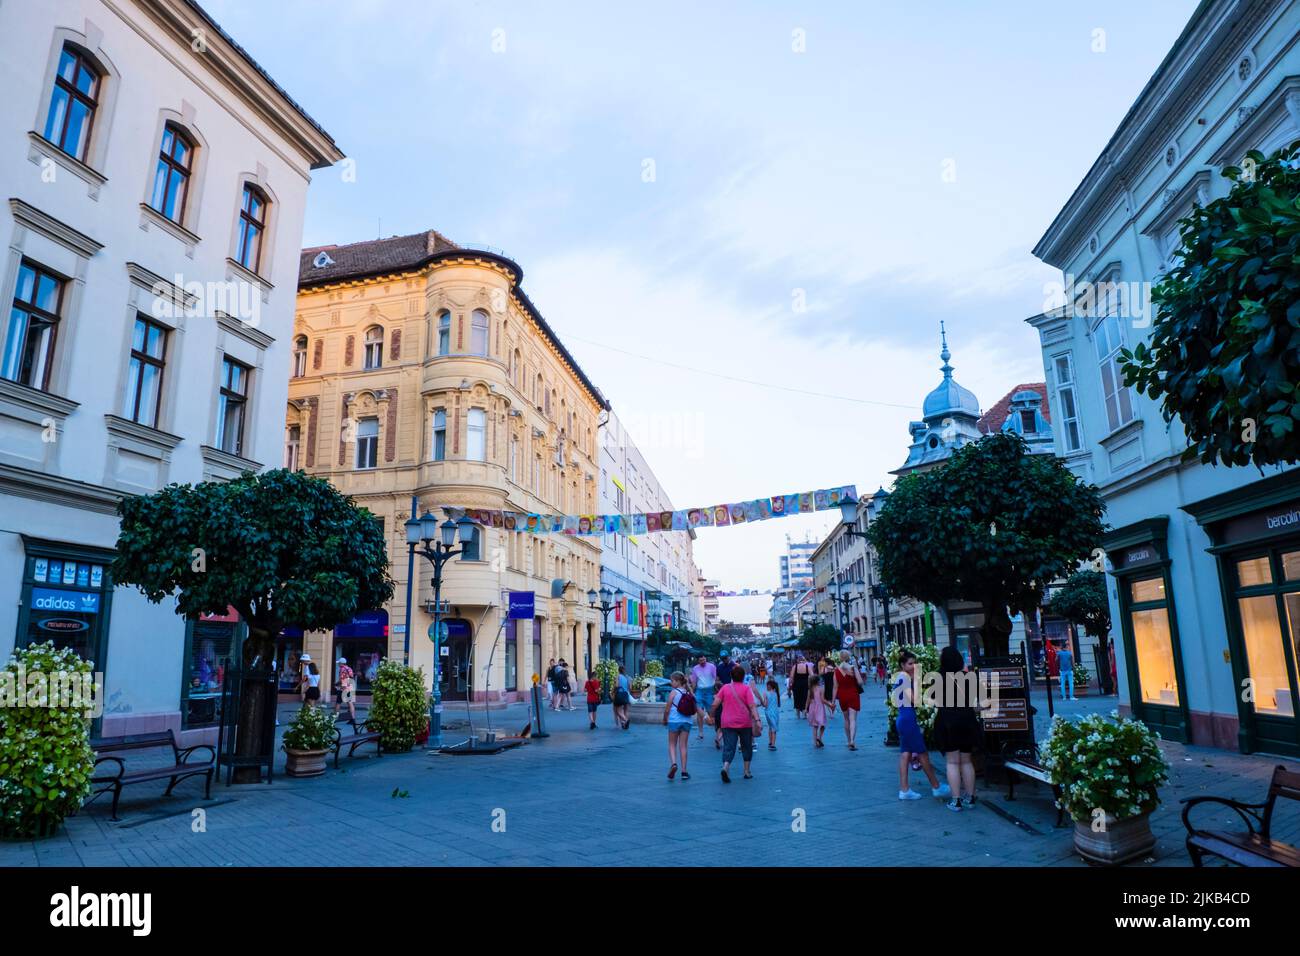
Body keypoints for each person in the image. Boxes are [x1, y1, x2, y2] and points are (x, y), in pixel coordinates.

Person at [894, 651, 950, 801]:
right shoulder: (904, 678)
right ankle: (936, 786)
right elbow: (915, 699)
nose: (913, 666)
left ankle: (905, 789)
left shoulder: (902, 677)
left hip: (904, 718)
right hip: (908, 719)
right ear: (902, 665)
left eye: (914, 663)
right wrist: (917, 678)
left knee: (906, 754)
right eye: (910, 664)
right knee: (922, 753)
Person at [934, 646, 980, 811]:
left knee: (952, 762)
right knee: (967, 761)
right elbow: (977, 703)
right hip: (967, 722)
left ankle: (956, 800)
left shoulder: (938, 678)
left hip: (948, 723)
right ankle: (970, 797)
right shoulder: (969, 677)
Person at [710, 664, 761, 782]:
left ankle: (725, 767)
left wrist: (711, 716)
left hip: (727, 722)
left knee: (729, 747)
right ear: (743, 677)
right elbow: (752, 706)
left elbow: (714, 704)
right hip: (745, 722)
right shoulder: (746, 688)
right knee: (746, 747)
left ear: (731, 677)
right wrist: (757, 720)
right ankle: (747, 771)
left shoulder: (725, 688)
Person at [662, 671, 694, 780]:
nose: (671, 683)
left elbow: (667, 709)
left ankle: (674, 764)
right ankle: (684, 771)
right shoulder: (688, 692)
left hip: (674, 721)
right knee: (683, 746)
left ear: (677, 681)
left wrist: (664, 719)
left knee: (672, 744)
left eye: (672, 681)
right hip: (686, 722)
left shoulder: (673, 692)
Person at [833, 650, 864, 750]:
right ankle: (852, 741)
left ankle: (848, 740)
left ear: (840, 658)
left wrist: (833, 701)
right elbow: (860, 682)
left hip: (842, 696)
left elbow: (835, 687)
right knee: (853, 719)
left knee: (846, 719)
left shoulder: (836, 670)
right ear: (848, 657)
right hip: (853, 694)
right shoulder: (852, 668)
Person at [689, 655, 717, 741]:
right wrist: (692, 692)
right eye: (701, 660)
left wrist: (715, 692)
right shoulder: (695, 668)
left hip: (709, 690)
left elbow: (715, 678)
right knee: (699, 711)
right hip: (699, 691)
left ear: (706, 659)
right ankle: (700, 733)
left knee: (711, 712)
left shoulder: (712, 666)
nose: (703, 661)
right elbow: (694, 682)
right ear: (698, 661)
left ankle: (717, 731)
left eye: (704, 659)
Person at [807, 667, 829, 748]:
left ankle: (815, 742)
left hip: (812, 708)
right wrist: (830, 704)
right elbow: (823, 700)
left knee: (815, 726)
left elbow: (808, 700)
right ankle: (819, 737)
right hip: (820, 708)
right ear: (818, 681)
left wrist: (806, 709)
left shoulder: (810, 689)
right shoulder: (821, 688)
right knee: (823, 724)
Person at [763, 678, 781, 750]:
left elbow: (765, 704)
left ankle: (771, 742)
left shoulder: (766, 693)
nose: (766, 687)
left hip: (768, 713)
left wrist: (761, 703)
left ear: (769, 686)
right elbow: (777, 704)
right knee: (773, 728)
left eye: (767, 685)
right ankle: (773, 743)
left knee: (770, 727)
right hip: (775, 713)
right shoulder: (776, 694)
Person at [613, 664, 632, 730]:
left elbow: (616, 685)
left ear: (618, 670)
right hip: (626, 694)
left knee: (618, 711)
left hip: (619, 694)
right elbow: (629, 687)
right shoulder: (626, 678)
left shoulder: (618, 676)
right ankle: (623, 724)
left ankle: (626, 720)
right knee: (625, 711)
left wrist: (613, 691)